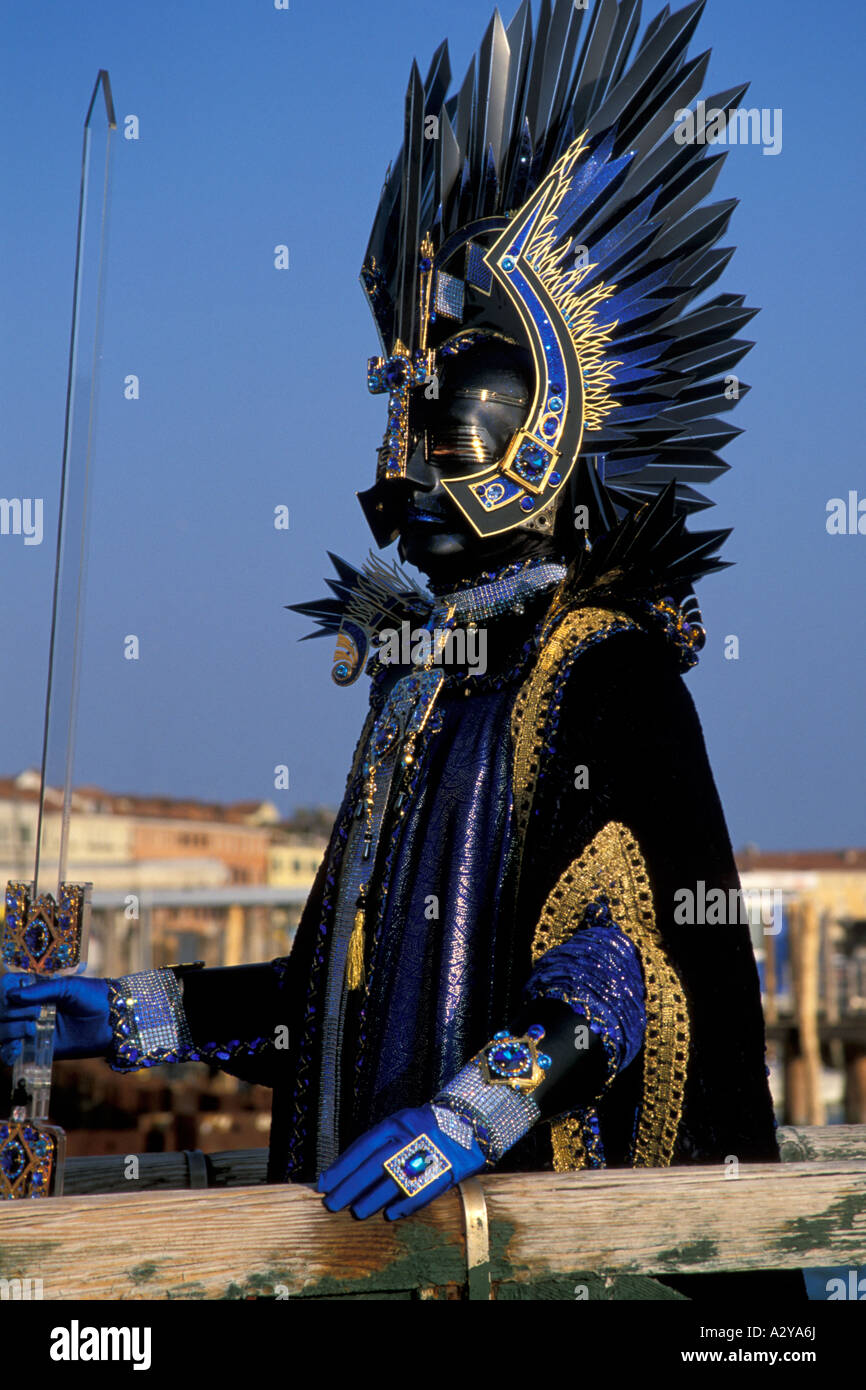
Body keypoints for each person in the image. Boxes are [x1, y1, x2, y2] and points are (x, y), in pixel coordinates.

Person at [1, 0, 803, 1298]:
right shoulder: (419, 700)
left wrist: (470, 1114)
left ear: (526, 447)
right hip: (378, 1254)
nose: (392, 474)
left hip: (554, 1262)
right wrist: (126, 1013)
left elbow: (619, 974)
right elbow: (336, 982)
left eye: (428, 435)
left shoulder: (606, 673)